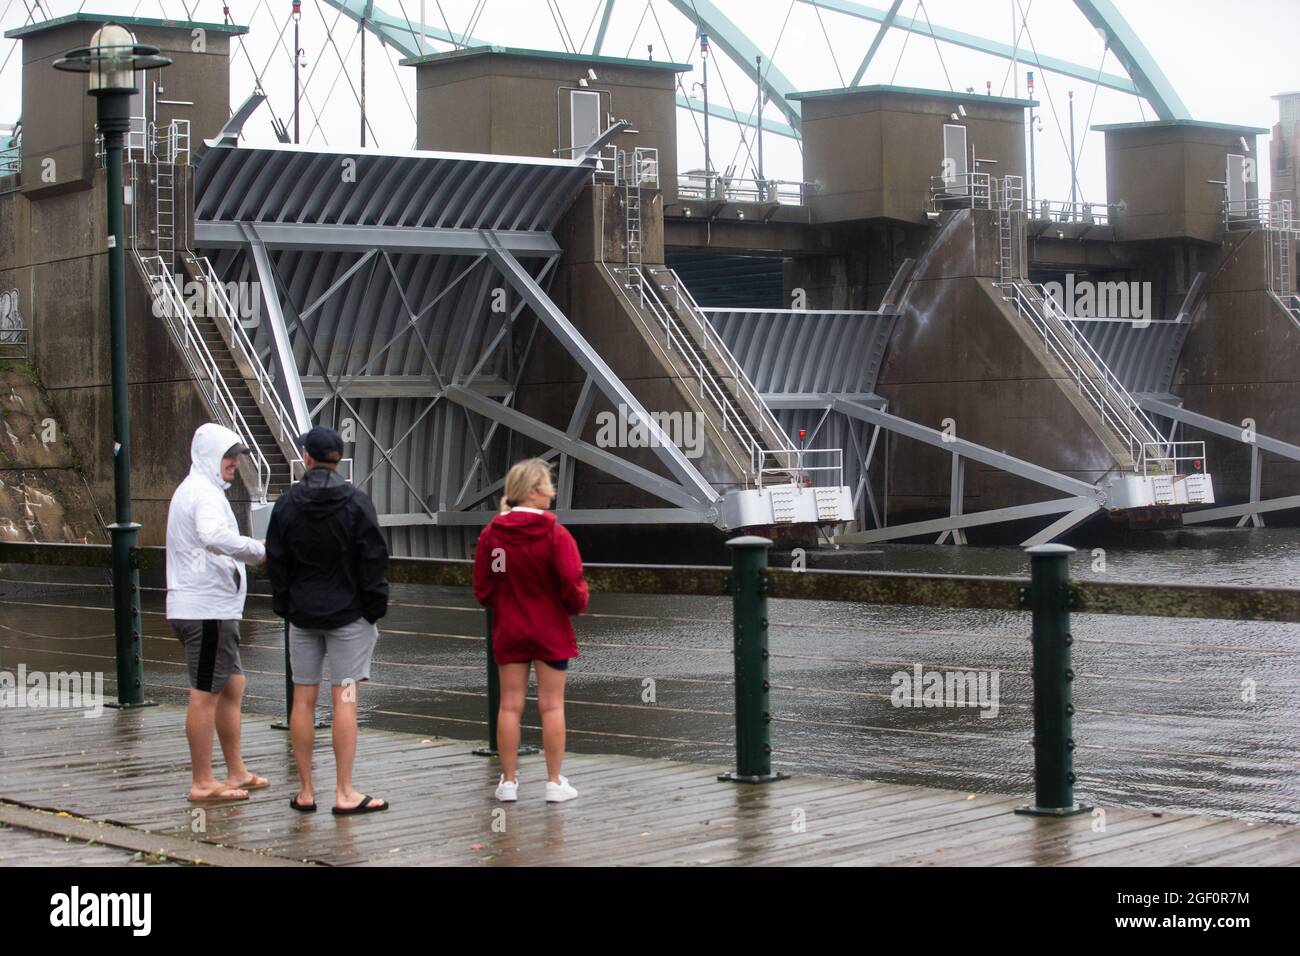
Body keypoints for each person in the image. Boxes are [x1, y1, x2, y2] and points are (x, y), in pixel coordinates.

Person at [265, 426, 391, 815]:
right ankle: (344, 792)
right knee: (346, 700)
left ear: (306, 457)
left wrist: (286, 606)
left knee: (303, 701)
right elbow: (373, 559)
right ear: (338, 459)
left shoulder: (286, 504)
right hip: (349, 617)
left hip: (302, 617)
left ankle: (305, 792)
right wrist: (373, 608)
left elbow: (276, 560)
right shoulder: (356, 502)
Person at [473, 458, 589, 803]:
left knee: (510, 706)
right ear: (534, 491)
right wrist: (574, 605)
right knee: (552, 706)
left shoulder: (494, 535)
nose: (551, 496)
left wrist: (504, 602)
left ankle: (508, 783)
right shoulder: (555, 534)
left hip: (511, 627)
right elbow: (572, 583)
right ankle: (554, 783)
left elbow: (486, 586)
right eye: (548, 489)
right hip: (550, 628)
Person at [166, 423, 269, 804]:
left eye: (237, 455)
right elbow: (212, 536)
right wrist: (257, 550)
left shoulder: (196, 490)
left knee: (231, 684)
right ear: (209, 455)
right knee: (205, 693)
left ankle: (236, 770)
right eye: (227, 455)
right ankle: (203, 782)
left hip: (212, 608)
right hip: (206, 610)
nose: (233, 462)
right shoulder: (204, 494)